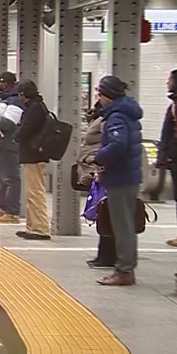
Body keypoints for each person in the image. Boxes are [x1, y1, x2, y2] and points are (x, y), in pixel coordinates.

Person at [91, 76, 144, 286]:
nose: (97, 97)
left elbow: (118, 145)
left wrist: (99, 157)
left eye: (99, 93)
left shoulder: (116, 117)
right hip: (128, 175)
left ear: (108, 96)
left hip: (120, 177)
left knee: (122, 226)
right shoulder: (127, 113)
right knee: (127, 225)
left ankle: (124, 270)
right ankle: (127, 265)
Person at [76, 103, 116, 269]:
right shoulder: (104, 118)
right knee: (103, 212)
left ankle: (110, 257)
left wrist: (98, 164)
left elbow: (111, 146)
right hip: (100, 168)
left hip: (106, 171)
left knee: (107, 212)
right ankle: (104, 254)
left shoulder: (113, 120)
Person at [13, 80, 51, 240]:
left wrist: (16, 136)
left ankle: (41, 229)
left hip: (34, 155)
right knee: (32, 192)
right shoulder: (37, 106)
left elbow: (26, 129)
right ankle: (32, 227)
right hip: (34, 155)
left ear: (23, 94)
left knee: (35, 192)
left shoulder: (34, 108)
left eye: (19, 94)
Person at [0, 72, 24, 224]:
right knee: (1, 179)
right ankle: (2, 208)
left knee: (11, 178)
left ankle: (13, 212)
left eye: (1, 82)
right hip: (0, 144)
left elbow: (10, 123)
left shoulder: (15, 101)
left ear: (7, 84)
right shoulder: (4, 100)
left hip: (8, 144)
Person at [155, 69, 177, 248]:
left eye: (170, 79)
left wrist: (167, 153)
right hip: (175, 157)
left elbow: (174, 133)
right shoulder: (175, 104)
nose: (167, 82)